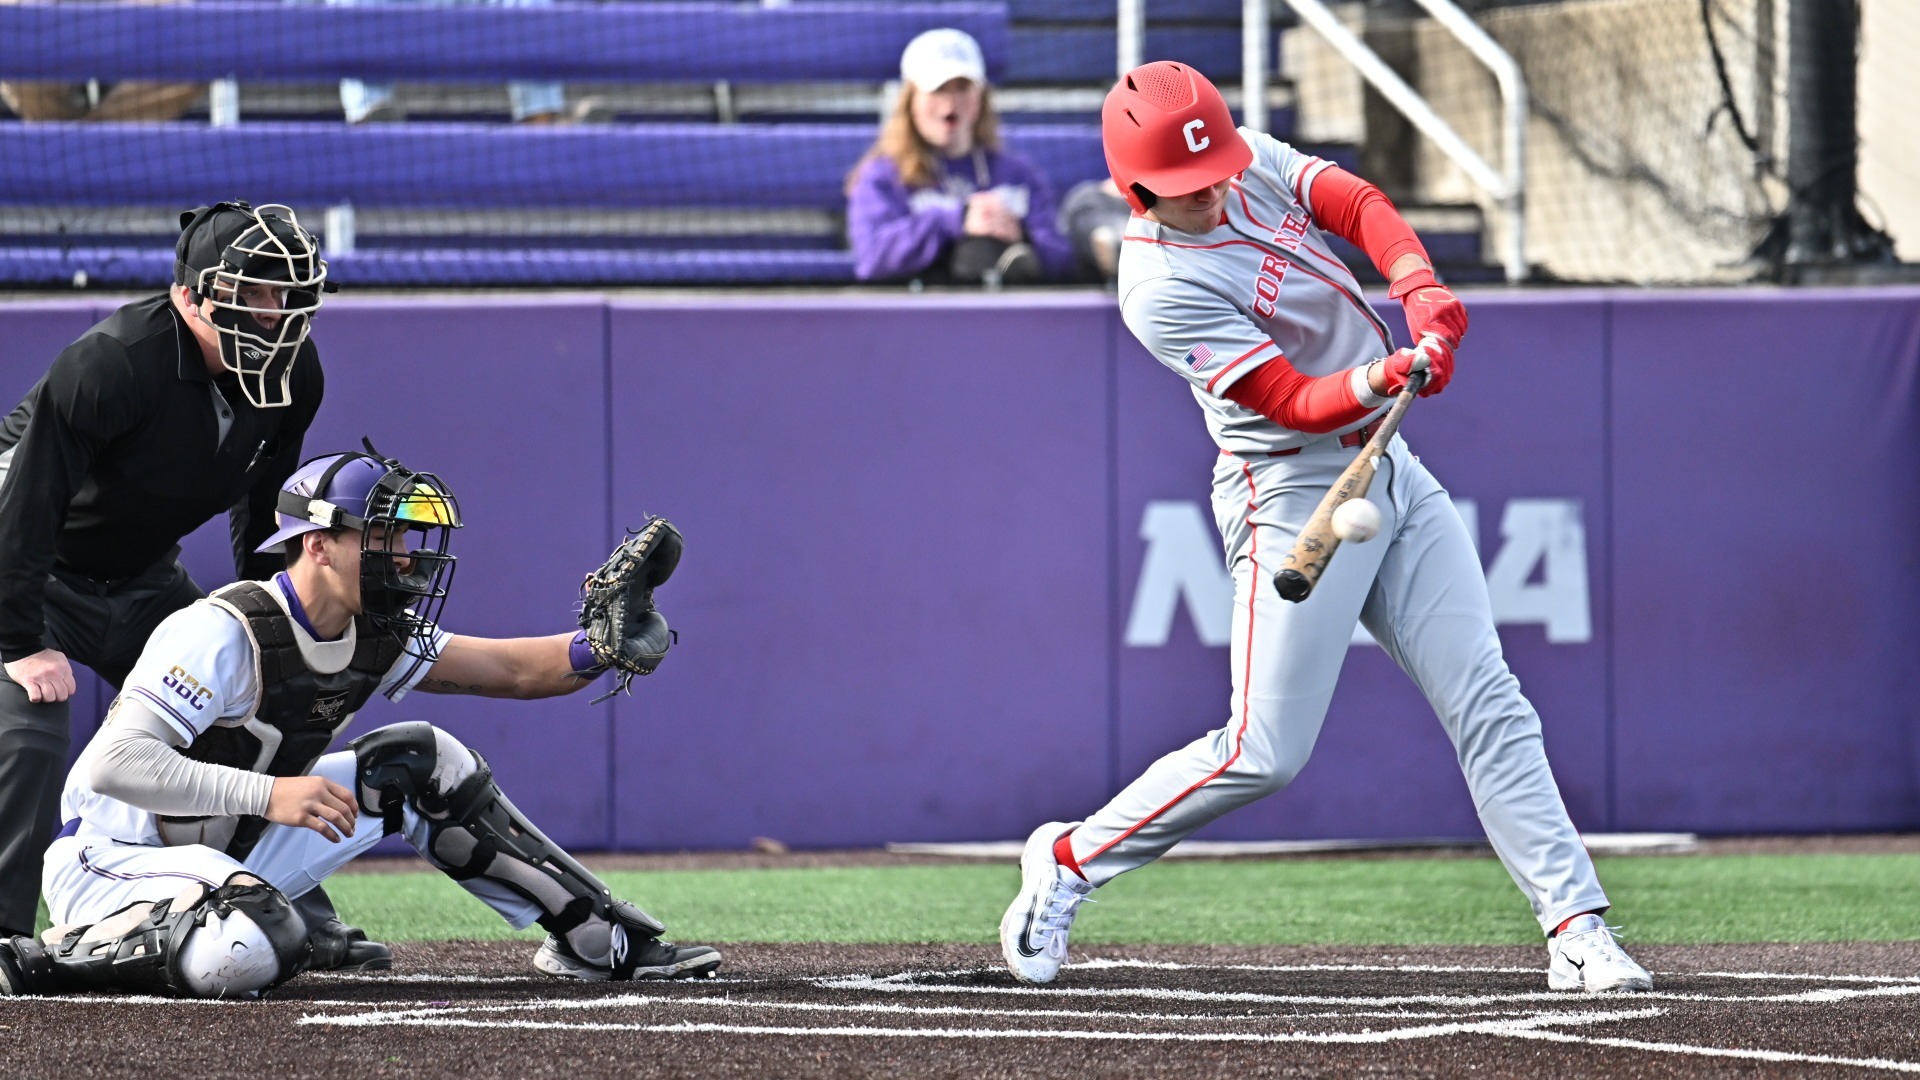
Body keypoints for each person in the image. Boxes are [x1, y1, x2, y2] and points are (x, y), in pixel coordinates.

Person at [998, 62, 1653, 995]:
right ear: (1133, 188)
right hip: (1290, 484)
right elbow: (1291, 400)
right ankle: (1067, 859)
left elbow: (1353, 201)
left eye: (1219, 167)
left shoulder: (1237, 158)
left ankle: (1576, 929)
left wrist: (1419, 289)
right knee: (1262, 752)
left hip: (1385, 468)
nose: (1217, 187)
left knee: (1489, 698)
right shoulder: (1155, 286)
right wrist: (1381, 379)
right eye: (1188, 187)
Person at [0, 448, 721, 998]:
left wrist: (596, 648)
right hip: (114, 858)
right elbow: (114, 764)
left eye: (405, 538)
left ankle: (593, 937)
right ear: (317, 544)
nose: (404, 557)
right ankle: (49, 957)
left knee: (424, 760)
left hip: (231, 846)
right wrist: (272, 796)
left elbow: (511, 670)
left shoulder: (374, 628)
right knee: (254, 946)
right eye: (384, 537)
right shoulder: (222, 631)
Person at [0, 201, 389, 970]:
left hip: (143, 575)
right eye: (254, 294)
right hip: (29, 568)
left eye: (285, 296)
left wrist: (262, 628)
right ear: (191, 296)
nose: (273, 315)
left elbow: (264, 503)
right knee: (31, 727)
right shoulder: (111, 363)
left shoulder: (291, 375)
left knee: (246, 714)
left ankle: (296, 909)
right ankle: (5, 933)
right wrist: (18, 641)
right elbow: (26, 502)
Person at [846, 28, 1073, 285]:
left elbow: (1060, 257)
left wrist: (1019, 233)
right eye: (938, 89)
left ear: (980, 99)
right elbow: (872, 258)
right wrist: (958, 219)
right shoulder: (884, 176)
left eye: (962, 87)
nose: (950, 102)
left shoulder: (1018, 174)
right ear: (911, 101)